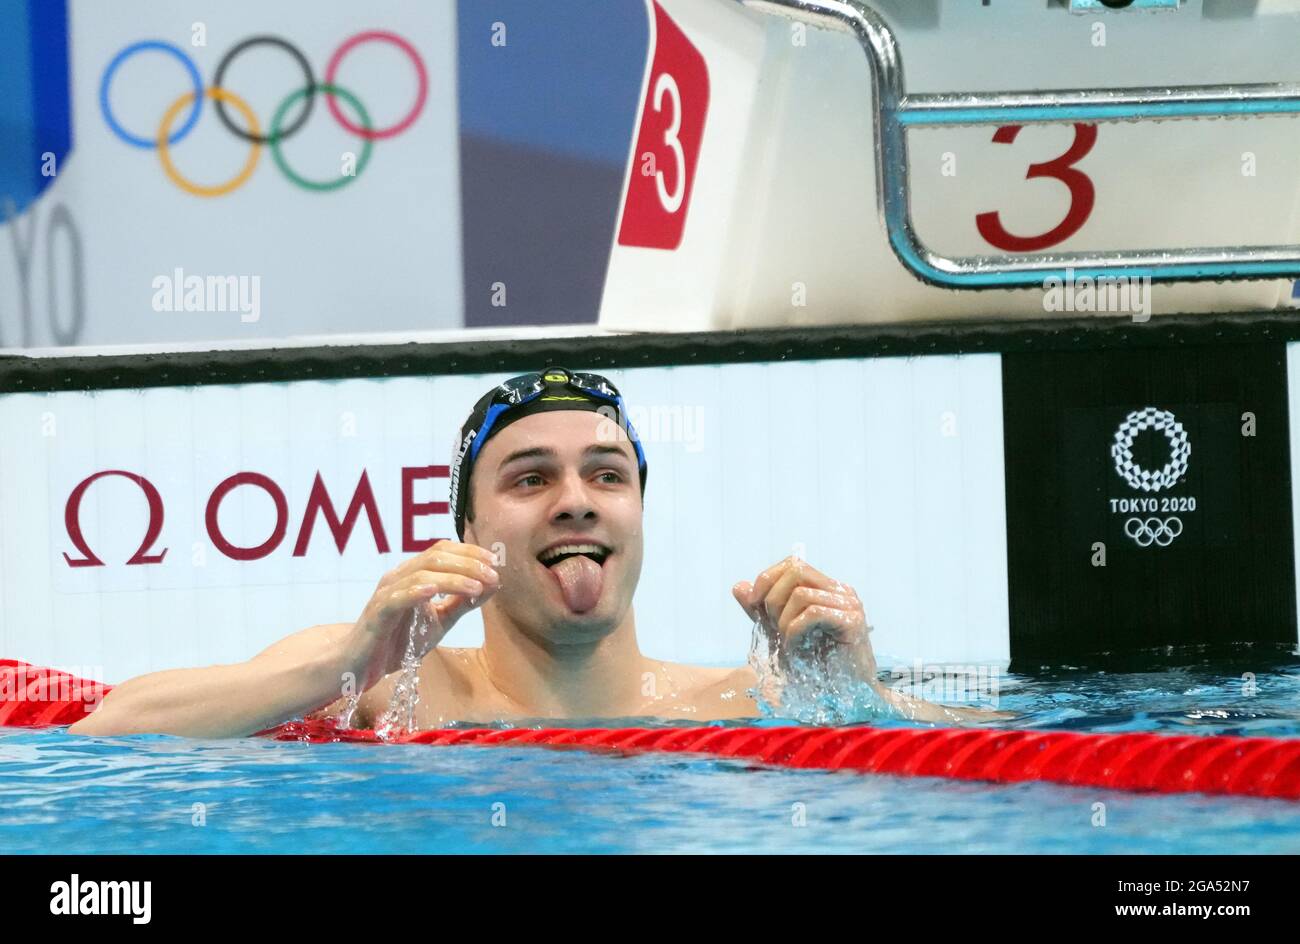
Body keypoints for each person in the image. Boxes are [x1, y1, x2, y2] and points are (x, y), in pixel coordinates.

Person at [71, 368, 1004, 738]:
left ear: (638, 511)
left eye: (607, 475)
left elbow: (1018, 760)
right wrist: (346, 658)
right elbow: (108, 731)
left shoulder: (748, 701)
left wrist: (860, 699)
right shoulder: (397, 686)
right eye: (528, 480)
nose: (574, 502)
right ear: (468, 533)